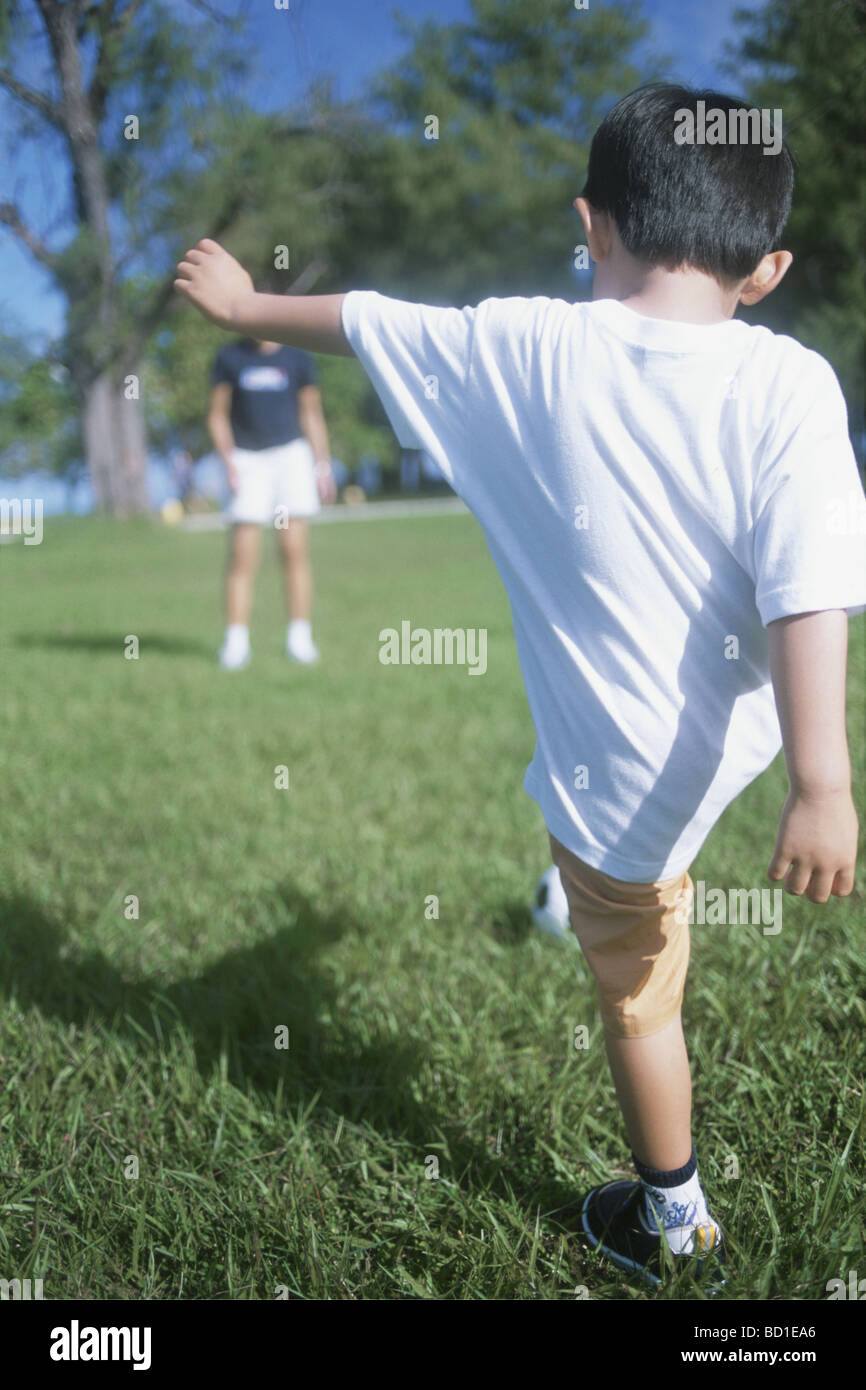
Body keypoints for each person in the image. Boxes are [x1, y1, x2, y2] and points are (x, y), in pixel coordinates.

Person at [174, 82, 866, 1287]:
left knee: (640, 998)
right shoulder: (792, 382)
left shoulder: (521, 342)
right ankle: (573, 900)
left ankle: (670, 1218)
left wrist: (244, 304)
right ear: (763, 270)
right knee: (626, 870)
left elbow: (369, 318)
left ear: (589, 227)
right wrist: (821, 779)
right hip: (738, 736)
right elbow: (807, 582)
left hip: (615, 777)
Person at [208, 296, 336, 669]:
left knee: (293, 551)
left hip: (290, 459)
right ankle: (236, 643)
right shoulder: (229, 359)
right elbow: (217, 416)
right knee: (243, 556)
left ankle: (299, 638)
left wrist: (322, 464)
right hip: (247, 461)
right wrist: (228, 460)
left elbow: (311, 413)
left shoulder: (297, 358)